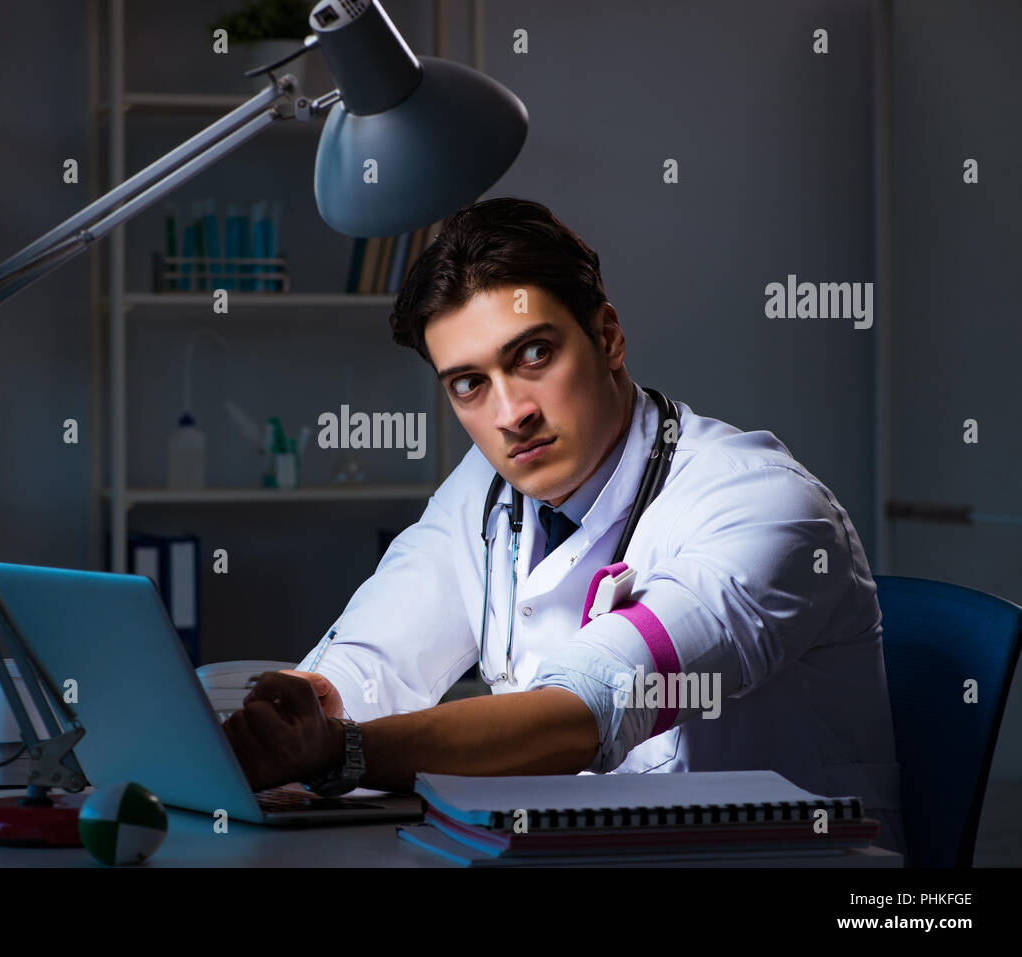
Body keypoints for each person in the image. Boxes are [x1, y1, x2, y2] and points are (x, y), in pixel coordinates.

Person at [222, 197, 905, 856]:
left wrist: (340, 752)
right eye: (469, 384)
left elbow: (588, 707)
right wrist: (295, 718)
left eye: (533, 355)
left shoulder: (764, 507)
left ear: (607, 337)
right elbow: (376, 657)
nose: (510, 412)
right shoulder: (487, 489)